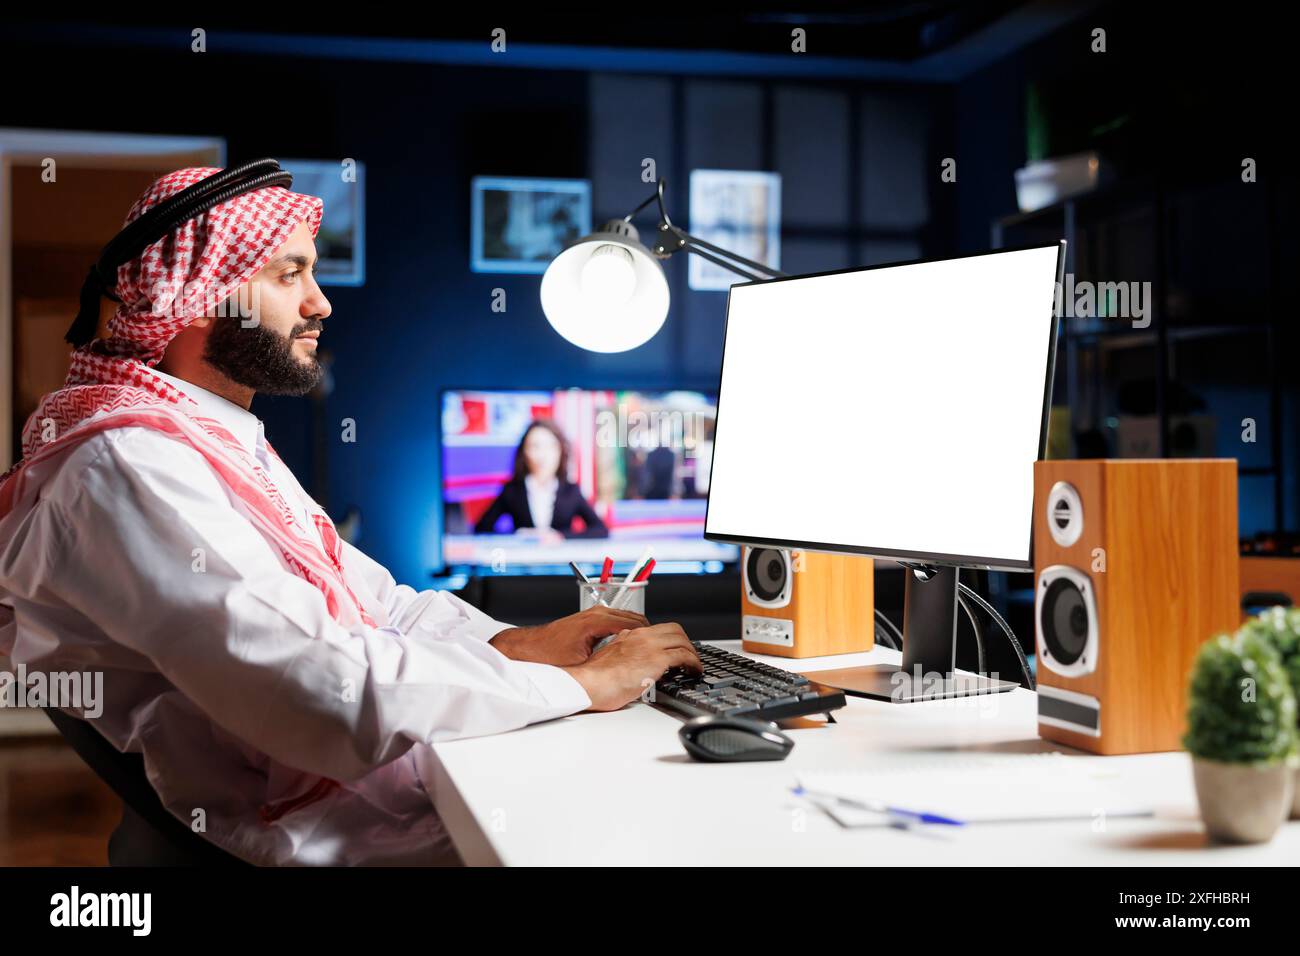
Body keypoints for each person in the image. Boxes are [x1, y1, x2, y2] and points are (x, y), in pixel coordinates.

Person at [0, 163, 699, 866]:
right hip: (325, 834)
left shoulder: (207, 444)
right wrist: (574, 685)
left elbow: (384, 608)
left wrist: (524, 642)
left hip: (356, 798)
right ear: (200, 295)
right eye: (288, 274)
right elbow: (322, 688)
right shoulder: (129, 467)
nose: (321, 303)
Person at [473, 420, 609, 541]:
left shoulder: (570, 491)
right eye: (535, 446)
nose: (543, 455)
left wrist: (561, 536)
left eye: (550, 446)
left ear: (560, 451)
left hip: (561, 564)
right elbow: (481, 529)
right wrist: (517, 536)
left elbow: (600, 530)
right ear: (524, 452)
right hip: (523, 565)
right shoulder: (512, 490)